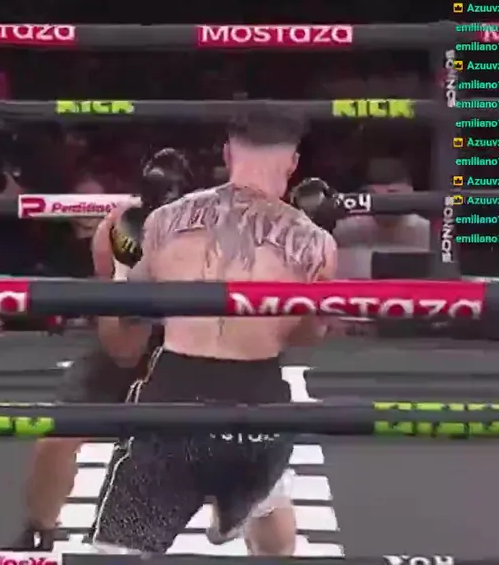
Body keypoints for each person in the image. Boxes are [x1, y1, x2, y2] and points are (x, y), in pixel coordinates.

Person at [87, 109, 337, 556]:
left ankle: (244, 497)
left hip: (174, 400)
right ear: (293, 163)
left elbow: (122, 348)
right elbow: (305, 338)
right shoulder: (316, 242)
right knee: (265, 489)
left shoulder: (163, 221)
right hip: (259, 403)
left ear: (226, 154)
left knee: (118, 553)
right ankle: (244, 499)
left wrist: (120, 270)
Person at [13, 149, 194, 550]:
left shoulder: (212, 235)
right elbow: (121, 348)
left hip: (195, 347)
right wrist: (132, 281)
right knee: (56, 437)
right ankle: (39, 531)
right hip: (131, 339)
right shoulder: (117, 228)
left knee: (239, 449)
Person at [331, 158, 429, 278]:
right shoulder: (346, 230)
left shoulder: (426, 232)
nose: (385, 204)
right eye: (377, 196)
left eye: (393, 194)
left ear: (410, 192)